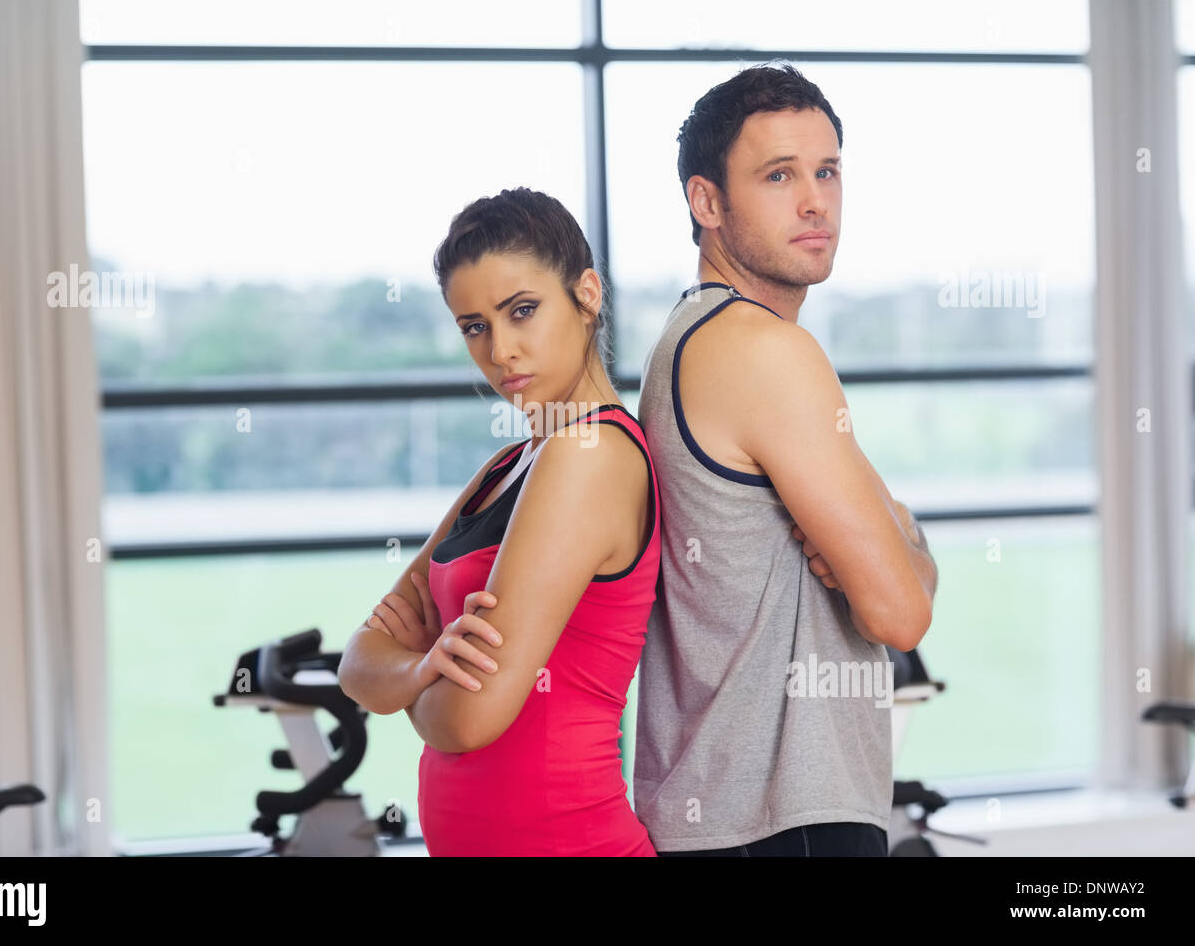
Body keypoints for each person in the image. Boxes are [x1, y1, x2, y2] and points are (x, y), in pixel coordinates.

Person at [633, 61, 940, 857]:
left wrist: (893, 544)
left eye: (827, 171)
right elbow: (903, 613)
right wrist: (892, 545)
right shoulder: (766, 353)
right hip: (784, 821)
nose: (816, 201)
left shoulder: (690, 341)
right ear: (706, 202)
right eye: (778, 175)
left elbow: (906, 571)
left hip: (720, 818)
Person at [337, 187, 660, 856]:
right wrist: (426, 670)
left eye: (522, 311)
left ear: (588, 293)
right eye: (474, 325)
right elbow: (356, 661)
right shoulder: (505, 466)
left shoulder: (589, 453)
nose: (500, 350)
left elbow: (469, 717)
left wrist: (408, 680)